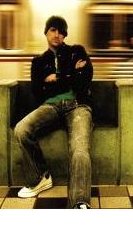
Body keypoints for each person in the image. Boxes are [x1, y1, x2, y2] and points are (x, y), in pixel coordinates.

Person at [14, 15, 94, 208]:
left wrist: (54, 79)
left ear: (65, 35)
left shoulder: (77, 51)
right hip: (49, 107)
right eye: (53, 30)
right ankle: (40, 177)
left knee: (79, 149)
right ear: (46, 32)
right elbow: (38, 91)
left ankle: (79, 202)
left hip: (78, 105)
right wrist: (72, 74)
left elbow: (85, 80)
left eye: (61, 31)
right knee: (21, 129)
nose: (57, 35)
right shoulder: (38, 61)